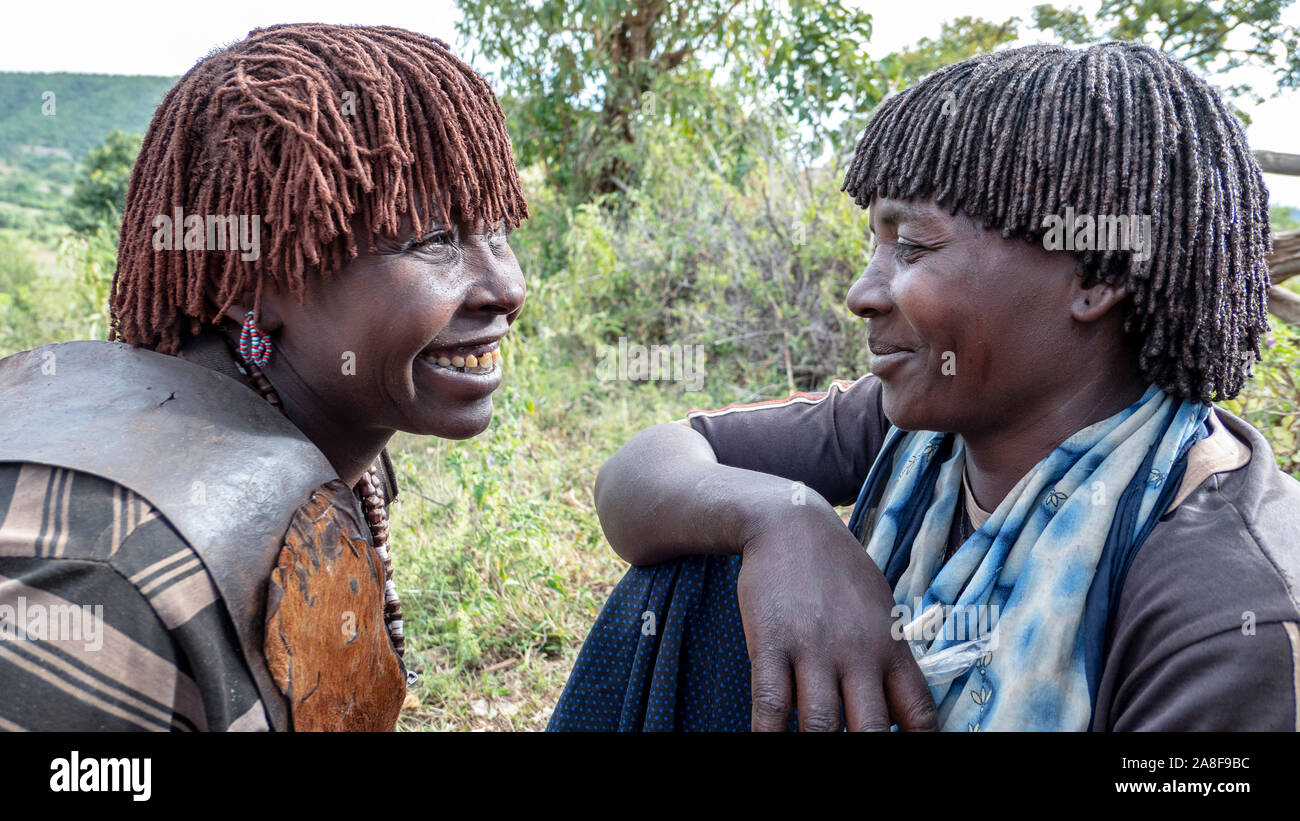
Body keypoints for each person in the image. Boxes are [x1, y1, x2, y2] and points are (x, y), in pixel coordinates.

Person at [548, 41, 1300, 732]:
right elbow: (641, 470)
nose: (862, 293)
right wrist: (786, 516)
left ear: (1095, 273)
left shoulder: (1224, 608)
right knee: (685, 579)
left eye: (912, 246)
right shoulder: (916, 427)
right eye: (876, 244)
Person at [0, 23, 528, 731]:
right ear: (257, 287)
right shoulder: (118, 574)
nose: (505, 287)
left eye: (496, 230)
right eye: (433, 241)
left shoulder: (310, 455)